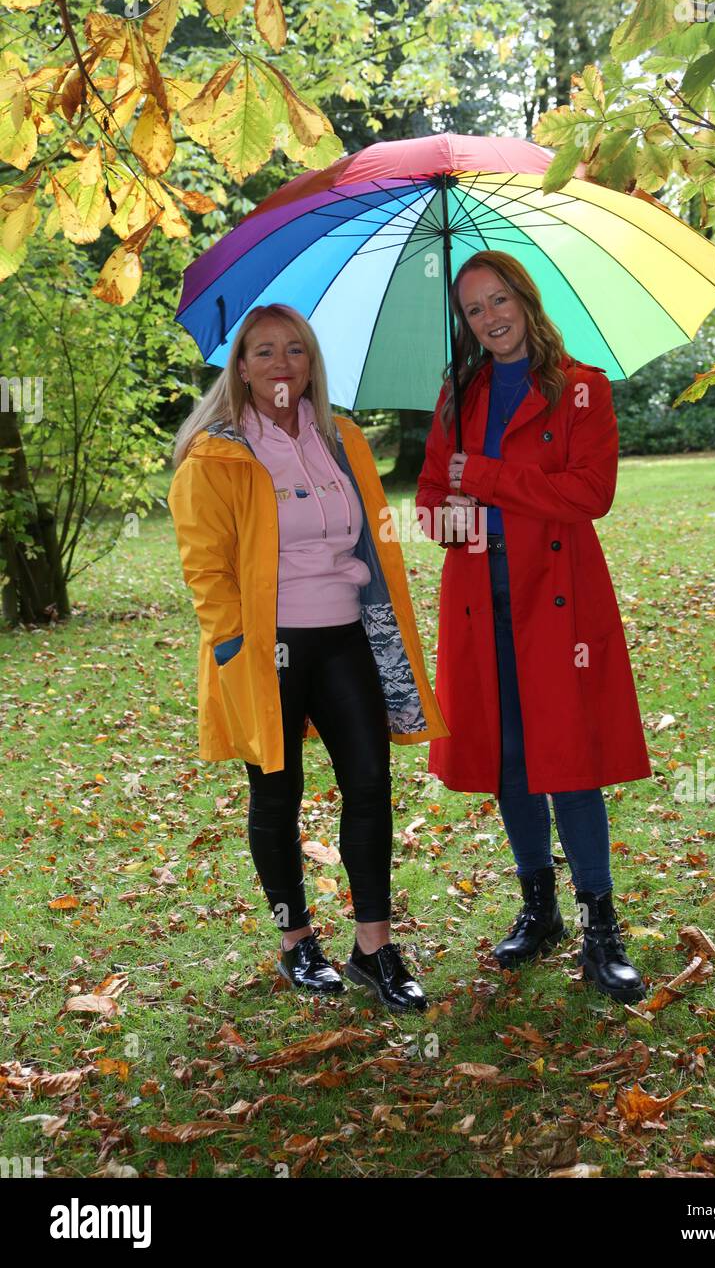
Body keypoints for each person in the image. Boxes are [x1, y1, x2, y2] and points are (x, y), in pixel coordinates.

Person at [168, 303, 448, 1013]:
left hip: (345, 632)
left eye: (294, 350)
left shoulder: (341, 438)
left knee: (370, 781)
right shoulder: (218, 453)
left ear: (311, 362)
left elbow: (371, 536)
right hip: (270, 646)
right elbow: (205, 566)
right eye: (263, 352)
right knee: (277, 793)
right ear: (240, 368)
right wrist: (234, 645)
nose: (281, 364)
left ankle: (373, 948)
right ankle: (295, 941)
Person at [416, 251, 652, 1004]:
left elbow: (590, 492)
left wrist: (483, 480)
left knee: (569, 759)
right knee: (507, 757)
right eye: (474, 309)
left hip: (559, 601)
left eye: (498, 301)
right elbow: (428, 505)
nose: (489, 319)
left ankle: (601, 923)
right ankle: (540, 908)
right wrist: (453, 514)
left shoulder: (582, 389)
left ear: (524, 298)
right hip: (479, 600)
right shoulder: (458, 396)